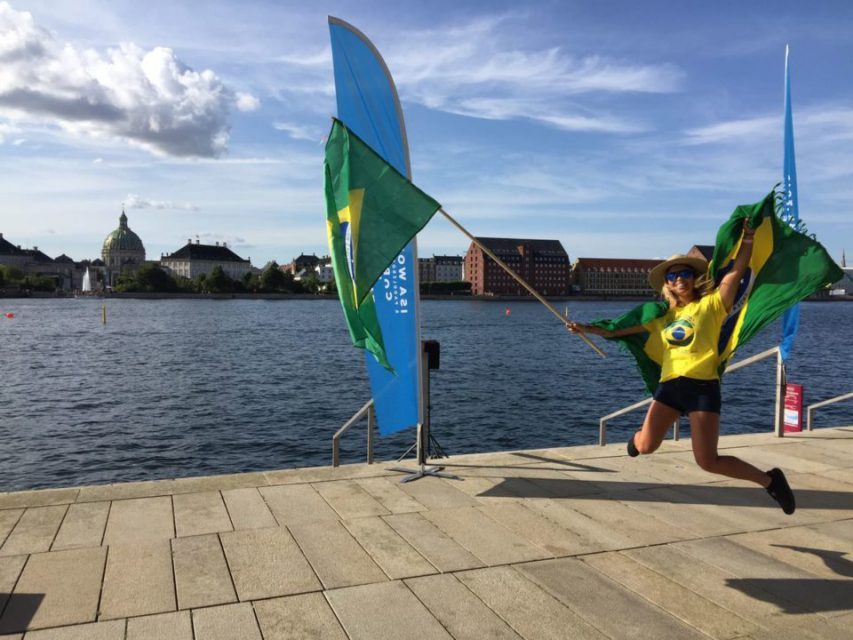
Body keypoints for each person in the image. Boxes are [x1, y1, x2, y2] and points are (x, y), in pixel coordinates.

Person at [569, 221, 795, 514]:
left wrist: (748, 240)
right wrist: (584, 328)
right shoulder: (662, 317)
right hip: (670, 388)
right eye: (673, 276)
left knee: (707, 461)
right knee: (648, 446)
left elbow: (737, 272)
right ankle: (636, 442)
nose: (679, 280)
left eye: (685, 274)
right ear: (667, 283)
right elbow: (617, 330)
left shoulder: (712, 305)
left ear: (694, 277)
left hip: (703, 387)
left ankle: (770, 481)